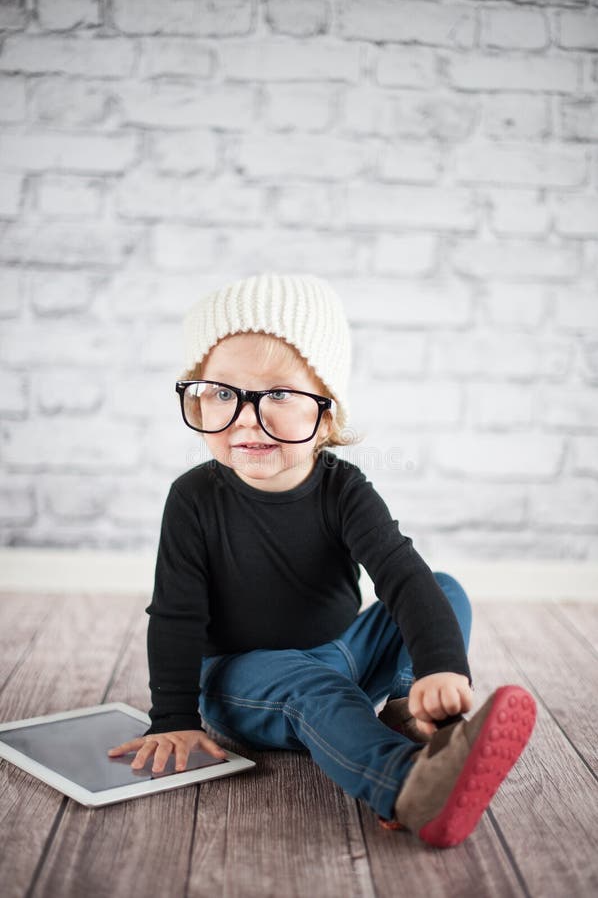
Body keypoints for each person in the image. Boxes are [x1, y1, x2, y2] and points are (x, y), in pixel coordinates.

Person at [108, 273, 536, 848]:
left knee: (442, 586)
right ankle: (407, 783)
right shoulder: (193, 499)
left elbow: (402, 581)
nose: (246, 417)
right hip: (243, 674)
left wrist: (440, 665)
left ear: (328, 415)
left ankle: (410, 712)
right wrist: (174, 719)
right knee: (316, 689)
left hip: (343, 651)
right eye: (221, 392)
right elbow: (177, 615)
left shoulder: (345, 489)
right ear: (197, 395)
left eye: (279, 394)